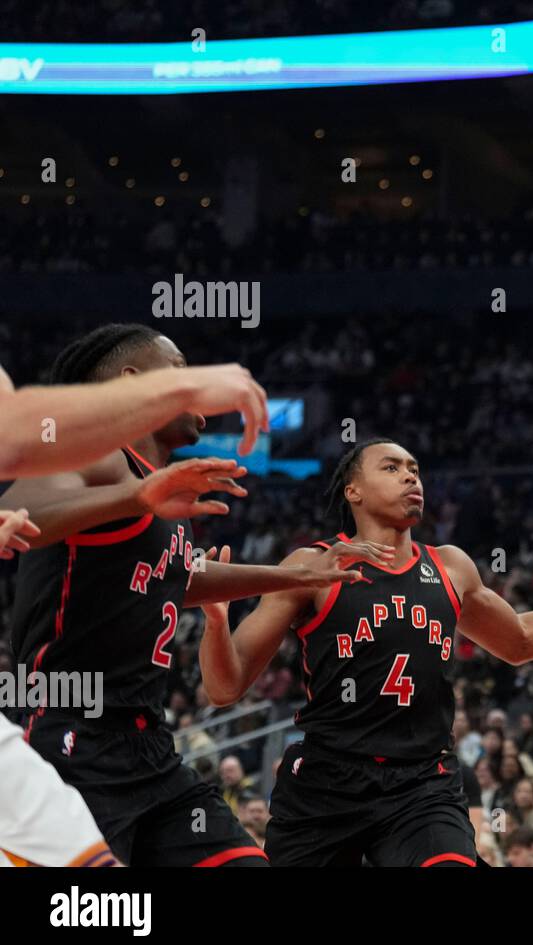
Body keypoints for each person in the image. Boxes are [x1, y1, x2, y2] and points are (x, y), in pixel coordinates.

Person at [199, 438, 533, 865]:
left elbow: (521, 639)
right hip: (326, 783)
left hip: (421, 782)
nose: (411, 477)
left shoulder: (450, 566)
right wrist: (217, 622)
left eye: (414, 470)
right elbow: (224, 687)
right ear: (353, 491)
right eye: (391, 468)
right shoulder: (312, 565)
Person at [0, 326, 332, 866]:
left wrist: (299, 577)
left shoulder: (159, 485)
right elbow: (23, 516)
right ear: (133, 382)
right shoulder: (101, 455)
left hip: (149, 748)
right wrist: (139, 495)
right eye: (179, 370)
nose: (196, 388)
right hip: (72, 738)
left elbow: (181, 580)